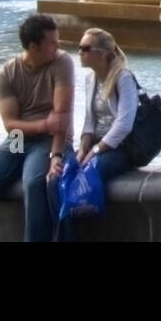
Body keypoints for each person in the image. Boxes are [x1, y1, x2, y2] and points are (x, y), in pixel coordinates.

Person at [0, 13, 75, 243]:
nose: (58, 46)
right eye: (52, 42)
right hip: (18, 138)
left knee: (33, 184)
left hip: (47, 140)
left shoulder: (62, 62)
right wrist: (43, 123)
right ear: (34, 47)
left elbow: (61, 118)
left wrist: (56, 154)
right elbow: (10, 125)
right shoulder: (7, 73)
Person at [56, 28, 139, 241]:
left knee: (81, 181)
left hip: (119, 149)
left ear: (101, 54)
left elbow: (124, 125)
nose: (79, 52)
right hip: (94, 147)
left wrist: (93, 152)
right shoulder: (90, 79)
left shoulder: (123, 78)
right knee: (60, 177)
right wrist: (82, 149)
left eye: (85, 49)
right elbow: (89, 121)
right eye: (79, 48)